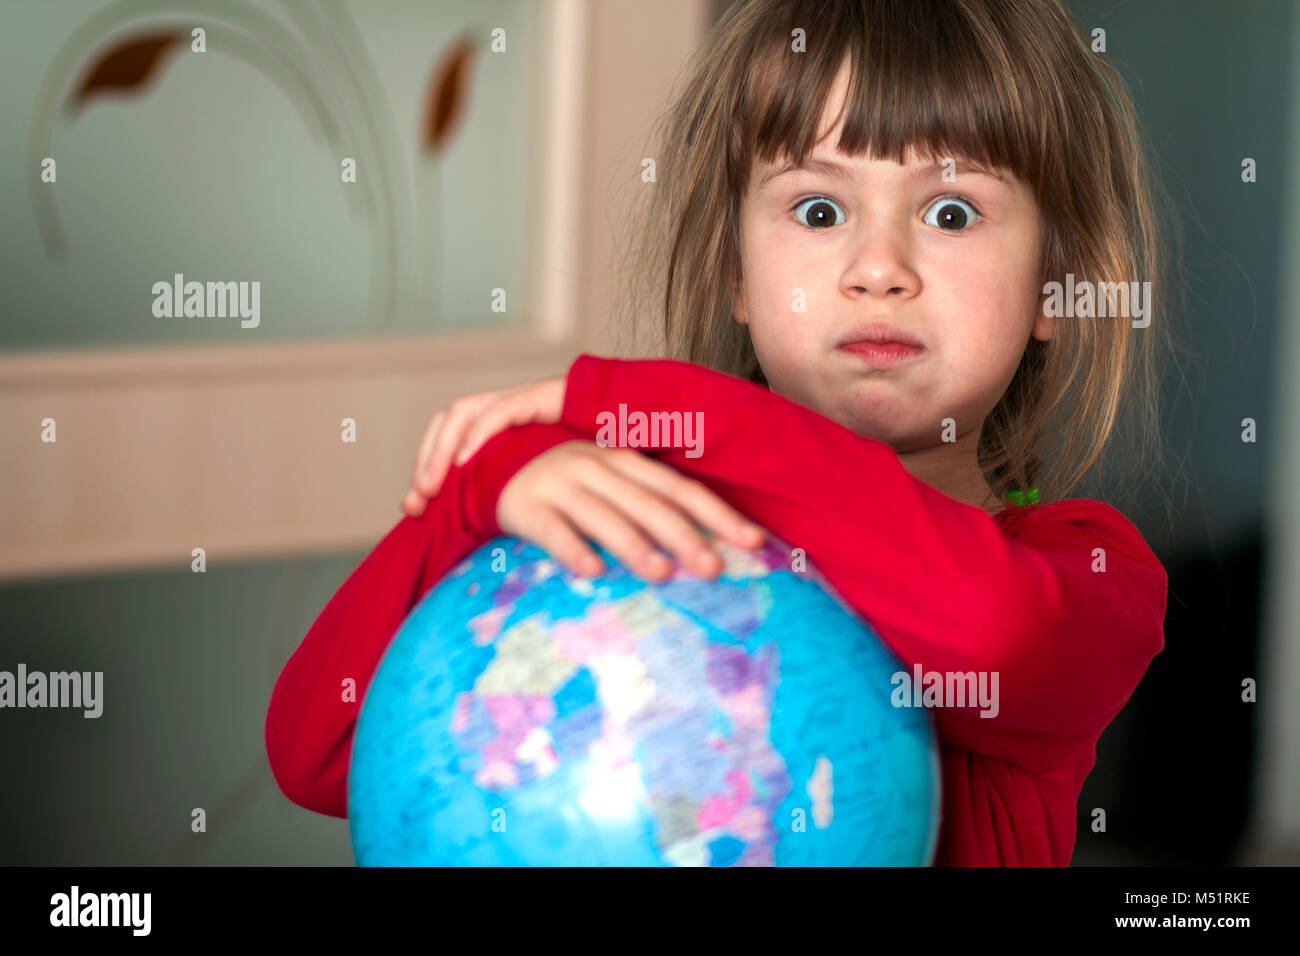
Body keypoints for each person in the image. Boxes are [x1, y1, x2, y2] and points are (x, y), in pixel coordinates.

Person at [268, 0, 1179, 865]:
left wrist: (660, 406)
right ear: (736, 277)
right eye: (819, 211)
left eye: (952, 213)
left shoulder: (1089, 569)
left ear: (1058, 282)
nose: (878, 269)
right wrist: (488, 490)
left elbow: (992, 631)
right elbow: (319, 752)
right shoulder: (647, 526)